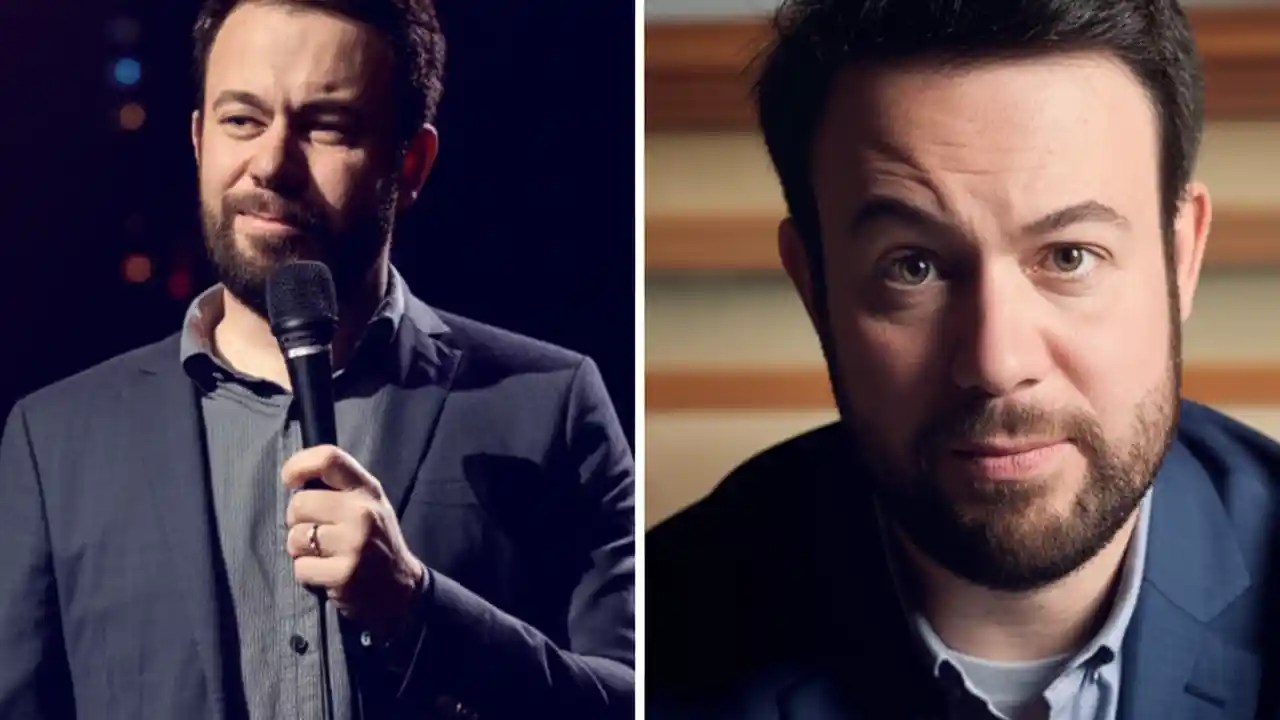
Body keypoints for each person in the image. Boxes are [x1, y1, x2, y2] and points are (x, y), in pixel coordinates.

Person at [0, 1, 635, 718]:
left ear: (412, 162)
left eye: (326, 126)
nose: (271, 163)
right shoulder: (54, 440)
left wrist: (418, 607)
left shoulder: (548, 402)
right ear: (199, 137)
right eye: (242, 120)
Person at [647, 0, 1280, 718]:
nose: (996, 361)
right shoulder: (646, 639)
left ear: (1182, 257)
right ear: (813, 285)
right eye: (911, 267)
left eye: (1070, 256)